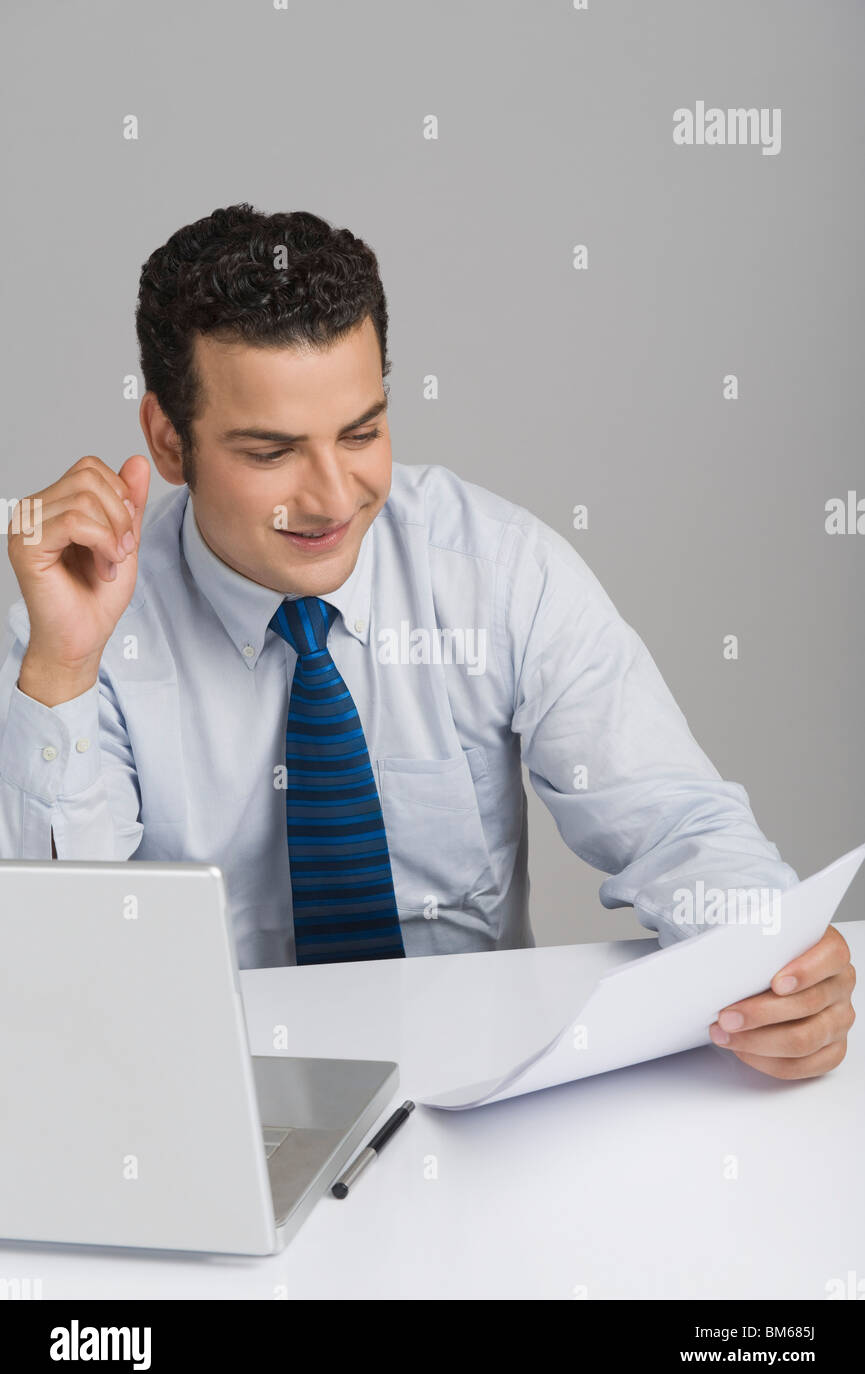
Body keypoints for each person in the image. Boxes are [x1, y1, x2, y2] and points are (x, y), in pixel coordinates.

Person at [0, 203, 854, 1078]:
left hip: (472, 1092)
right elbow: (64, 972)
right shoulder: (77, 620)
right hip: (199, 1092)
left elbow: (675, 823)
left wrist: (770, 959)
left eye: (362, 433)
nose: (334, 497)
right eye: (271, 452)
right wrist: (62, 667)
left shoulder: (496, 570)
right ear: (167, 442)